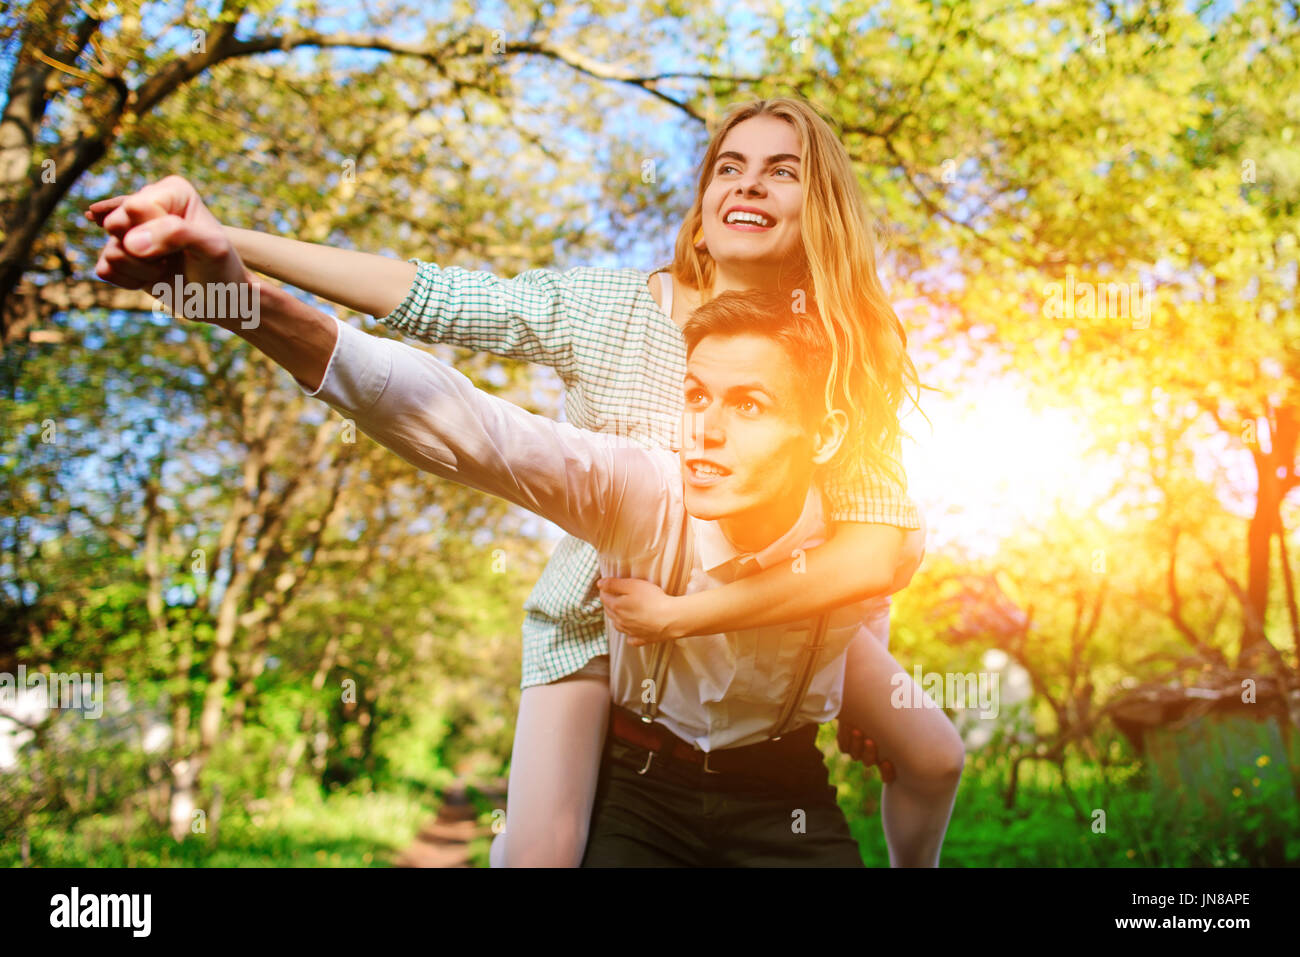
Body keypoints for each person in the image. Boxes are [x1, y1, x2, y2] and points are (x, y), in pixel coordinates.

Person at [87, 97, 965, 867]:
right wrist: (228, 242)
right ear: (699, 213)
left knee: (932, 752)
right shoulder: (613, 310)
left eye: (784, 171)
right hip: (607, 612)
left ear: (824, 212)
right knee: (540, 854)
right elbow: (435, 301)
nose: (750, 184)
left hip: (785, 609)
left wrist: (848, 660)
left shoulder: (841, 353)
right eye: (728, 167)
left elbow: (871, 535)